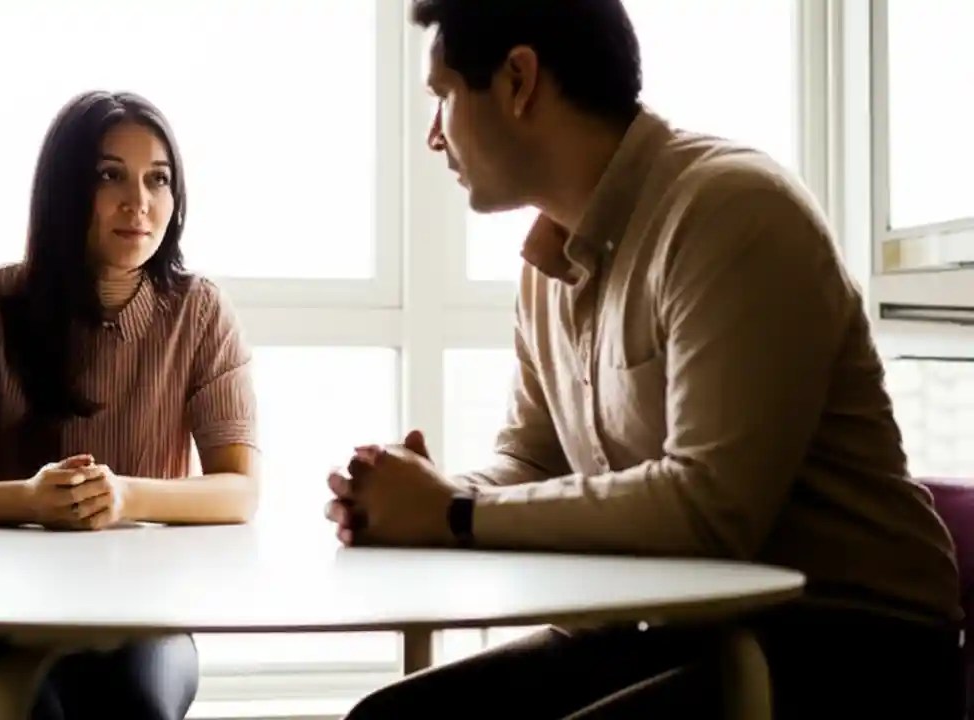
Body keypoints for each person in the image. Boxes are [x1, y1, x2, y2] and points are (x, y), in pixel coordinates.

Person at [324, 1, 964, 718]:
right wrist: (416, 495)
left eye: (443, 96)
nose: (433, 135)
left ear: (517, 80)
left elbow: (710, 512)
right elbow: (534, 466)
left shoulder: (732, 212)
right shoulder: (545, 267)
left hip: (851, 638)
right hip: (676, 627)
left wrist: (455, 513)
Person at [0, 90, 260, 720]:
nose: (139, 203)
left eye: (158, 180)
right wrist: (30, 500)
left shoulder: (200, 312)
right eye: (110, 176)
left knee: (133, 703)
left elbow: (239, 490)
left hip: (134, 611)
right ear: (62, 191)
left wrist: (124, 498)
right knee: (32, 704)